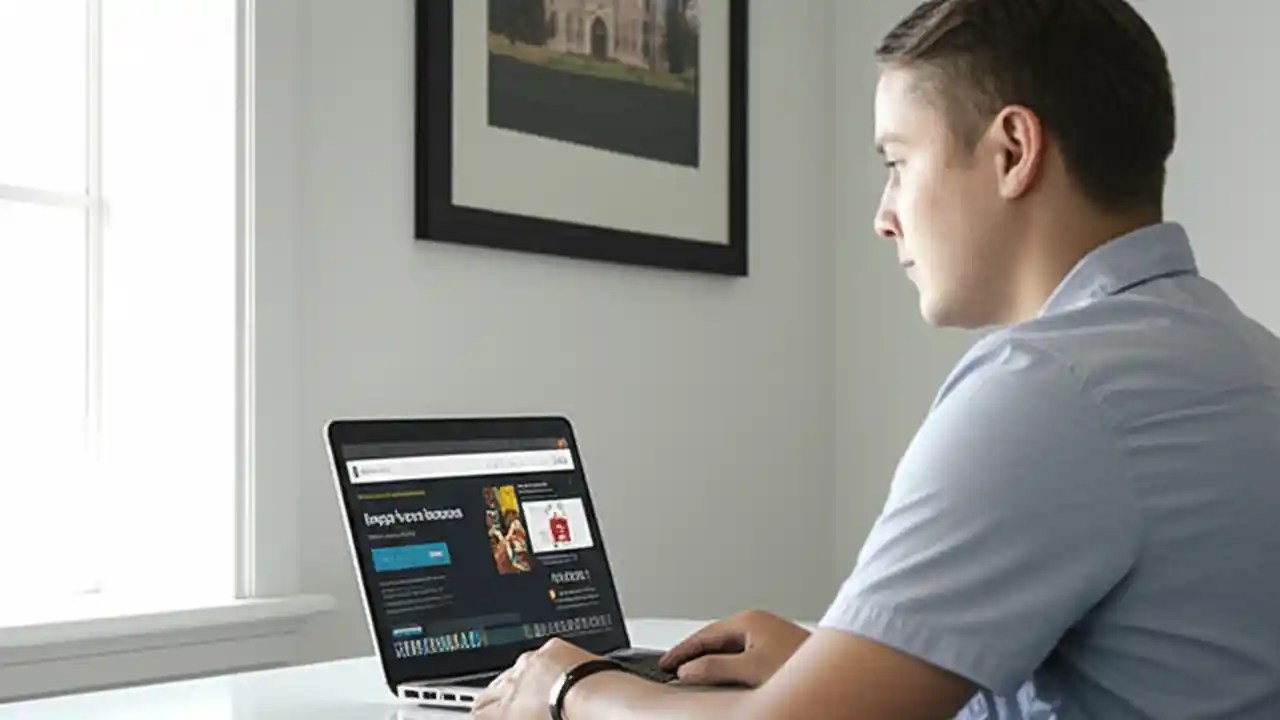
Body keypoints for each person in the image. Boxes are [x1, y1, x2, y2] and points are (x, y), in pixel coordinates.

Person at [473, 0, 1280, 717]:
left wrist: (570, 690)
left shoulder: (1051, 391)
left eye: (897, 162)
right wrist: (841, 659)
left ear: (1012, 152)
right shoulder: (1245, 359)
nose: (883, 216)